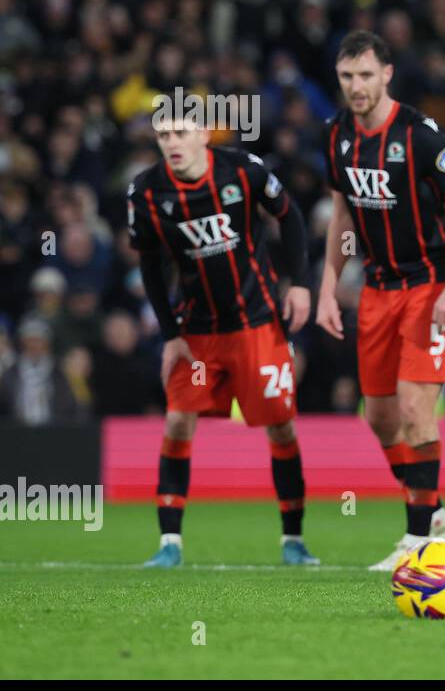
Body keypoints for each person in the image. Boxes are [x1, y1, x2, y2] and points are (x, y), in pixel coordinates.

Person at [316, 30, 445, 571]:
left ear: (387, 74)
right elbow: (343, 215)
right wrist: (327, 285)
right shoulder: (336, 135)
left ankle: (417, 542)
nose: (356, 86)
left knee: (418, 412)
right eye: (347, 76)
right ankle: (435, 515)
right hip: (376, 290)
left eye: (366, 75)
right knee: (380, 417)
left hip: (429, 287)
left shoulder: (419, 136)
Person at [128, 118, 317, 568]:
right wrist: (170, 333)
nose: (172, 142)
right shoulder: (145, 193)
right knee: (177, 423)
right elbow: (151, 267)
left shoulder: (243, 171)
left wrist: (301, 285)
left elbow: (289, 216)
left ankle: (293, 539)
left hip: (257, 323)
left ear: (203, 134)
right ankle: (169, 544)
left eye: (180, 132)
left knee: (281, 427)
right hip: (197, 330)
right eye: (163, 134)